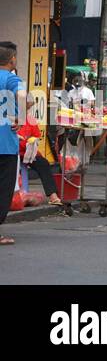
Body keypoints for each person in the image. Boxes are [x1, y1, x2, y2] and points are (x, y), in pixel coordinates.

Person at [0, 41, 27, 246]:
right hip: (5, 145)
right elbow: (23, 95)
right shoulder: (11, 78)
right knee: (3, 188)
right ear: (12, 60)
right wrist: (21, 116)